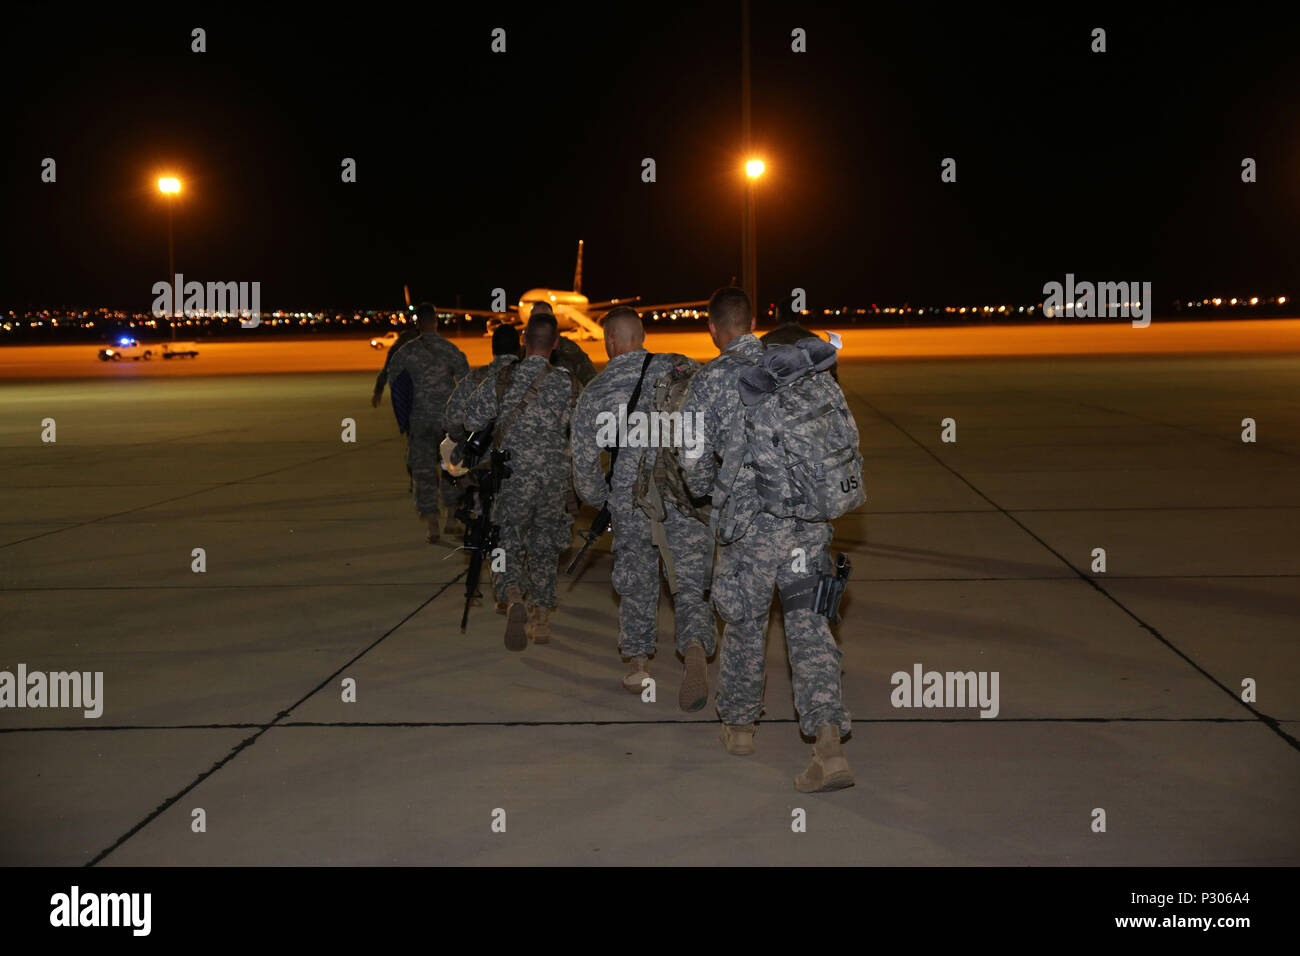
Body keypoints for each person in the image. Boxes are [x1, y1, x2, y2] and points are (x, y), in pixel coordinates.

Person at [682, 287, 854, 792]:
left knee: (743, 621)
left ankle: (739, 729)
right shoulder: (796, 365)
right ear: (753, 321)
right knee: (810, 629)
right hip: (807, 524)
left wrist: (715, 485)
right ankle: (829, 747)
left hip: (751, 532)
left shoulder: (708, 381)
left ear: (713, 329)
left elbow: (692, 472)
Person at [570, 307, 717, 709]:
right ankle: (694, 651)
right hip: (684, 493)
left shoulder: (597, 391)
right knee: (689, 582)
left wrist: (609, 502)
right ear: (643, 334)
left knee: (637, 583)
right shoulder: (683, 368)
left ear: (610, 342)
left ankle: (638, 665)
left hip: (631, 503)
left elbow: (583, 471)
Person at [464, 310, 579, 650]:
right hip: (554, 481)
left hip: (512, 478)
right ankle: (541, 619)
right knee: (544, 546)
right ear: (555, 344)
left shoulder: (503, 378)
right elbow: (585, 433)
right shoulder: (568, 382)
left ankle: (513, 595)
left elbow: (470, 417)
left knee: (505, 542)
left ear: (523, 342)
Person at [384, 302, 469, 544]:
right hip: (447, 424)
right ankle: (452, 517)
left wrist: (407, 409)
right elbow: (465, 383)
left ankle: (432, 524)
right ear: (436, 321)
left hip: (419, 421)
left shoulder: (407, 351)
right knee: (451, 468)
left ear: (417, 323)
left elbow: (395, 382)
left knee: (423, 474)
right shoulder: (450, 349)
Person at [761, 295, 837, 379]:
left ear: (778, 314)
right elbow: (831, 369)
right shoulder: (814, 340)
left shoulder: (766, 340)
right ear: (798, 314)